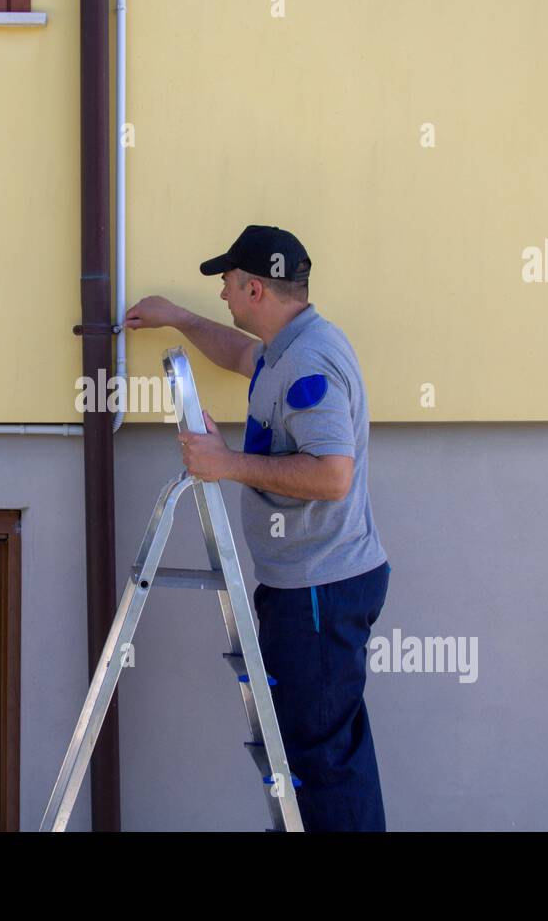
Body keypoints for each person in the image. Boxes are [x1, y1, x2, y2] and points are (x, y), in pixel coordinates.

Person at [124, 224, 391, 832]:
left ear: (254, 289)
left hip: (319, 590)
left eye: (226, 282)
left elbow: (332, 475)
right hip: (307, 585)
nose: (221, 293)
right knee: (313, 754)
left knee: (320, 764)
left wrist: (225, 465)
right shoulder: (286, 346)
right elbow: (238, 353)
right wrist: (177, 319)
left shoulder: (308, 361)